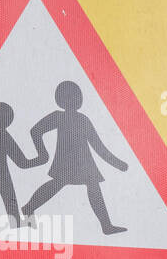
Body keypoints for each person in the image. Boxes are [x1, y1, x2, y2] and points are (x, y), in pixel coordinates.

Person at [22, 80, 129, 234]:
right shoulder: (58, 116)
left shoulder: (83, 119)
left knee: (90, 185)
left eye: (76, 96)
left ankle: (106, 226)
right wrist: (42, 153)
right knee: (59, 184)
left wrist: (118, 163)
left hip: (84, 163)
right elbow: (35, 131)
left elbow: (98, 146)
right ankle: (28, 208)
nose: (74, 100)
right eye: (69, 97)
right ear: (61, 100)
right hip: (66, 162)